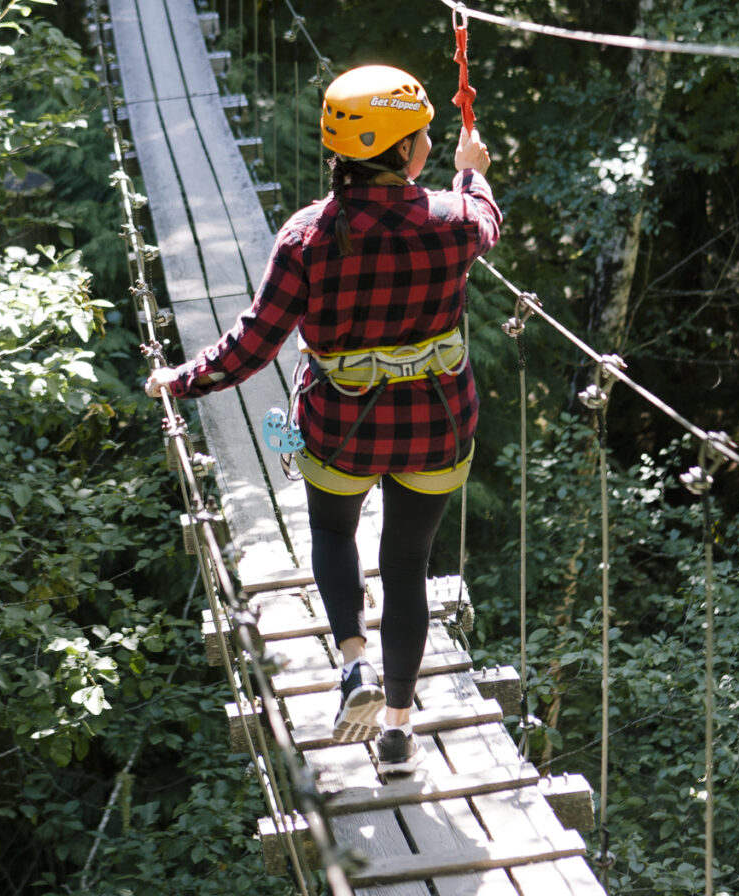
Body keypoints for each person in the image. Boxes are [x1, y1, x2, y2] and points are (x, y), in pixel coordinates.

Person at [146, 64, 500, 777]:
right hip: (435, 427)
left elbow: (252, 345)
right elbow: (485, 216)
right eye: (425, 136)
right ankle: (399, 730)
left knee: (335, 533)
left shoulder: (308, 236)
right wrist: (472, 172)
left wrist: (177, 380)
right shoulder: (454, 222)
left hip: (341, 428)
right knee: (406, 568)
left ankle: (352, 664)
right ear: (406, 152)